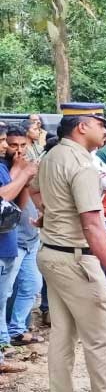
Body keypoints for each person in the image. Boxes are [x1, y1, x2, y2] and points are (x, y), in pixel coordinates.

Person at [31, 102, 106, 392]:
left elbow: (34, 188)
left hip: (52, 253)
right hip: (76, 259)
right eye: (99, 123)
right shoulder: (81, 165)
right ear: (82, 126)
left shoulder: (50, 156)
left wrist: (46, 215)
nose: (105, 130)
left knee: (62, 336)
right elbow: (92, 225)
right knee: (99, 338)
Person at [0, 125, 41, 360]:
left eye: (22, 145)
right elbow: (4, 198)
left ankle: (14, 331)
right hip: (10, 240)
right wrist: (20, 172)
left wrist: (26, 179)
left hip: (24, 237)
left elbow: (19, 205)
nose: (17, 150)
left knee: (31, 285)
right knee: (4, 294)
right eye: (11, 144)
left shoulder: (21, 166)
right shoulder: (5, 168)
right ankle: (5, 340)